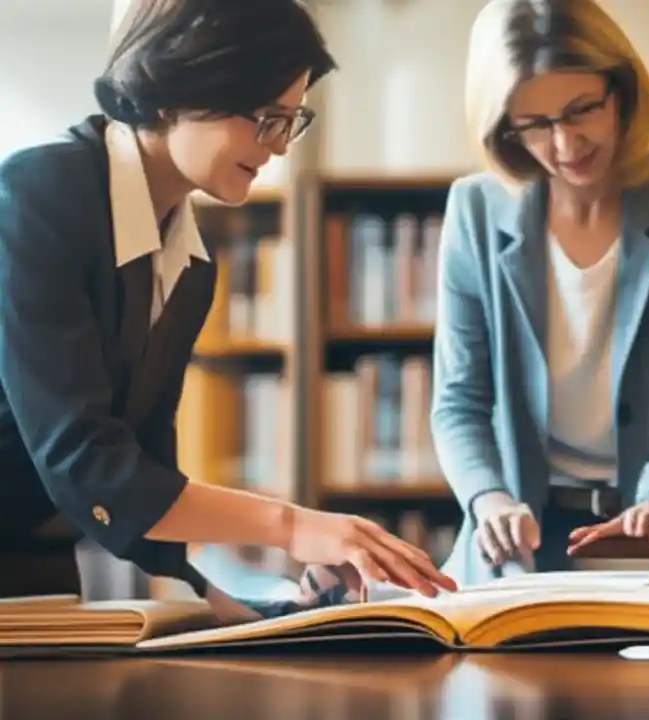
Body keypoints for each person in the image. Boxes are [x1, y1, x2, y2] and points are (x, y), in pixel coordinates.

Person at [0, 0, 455, 604]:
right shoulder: (39, 196)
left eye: (291, 121)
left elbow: (146, 486)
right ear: (177, 88)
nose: (280, 146)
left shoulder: (192, 268)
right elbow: (90, 468)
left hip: (39, 572)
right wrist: (294, 526)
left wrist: (262, 607)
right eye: (265, 117)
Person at [432, 0, 649, 584]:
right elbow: (458, 401)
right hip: (520, 543)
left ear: (620, 92)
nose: (565, 143)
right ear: (506, 128)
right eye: (536, 125)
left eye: (581, 111)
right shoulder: (474, 209)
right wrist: (489, 498)